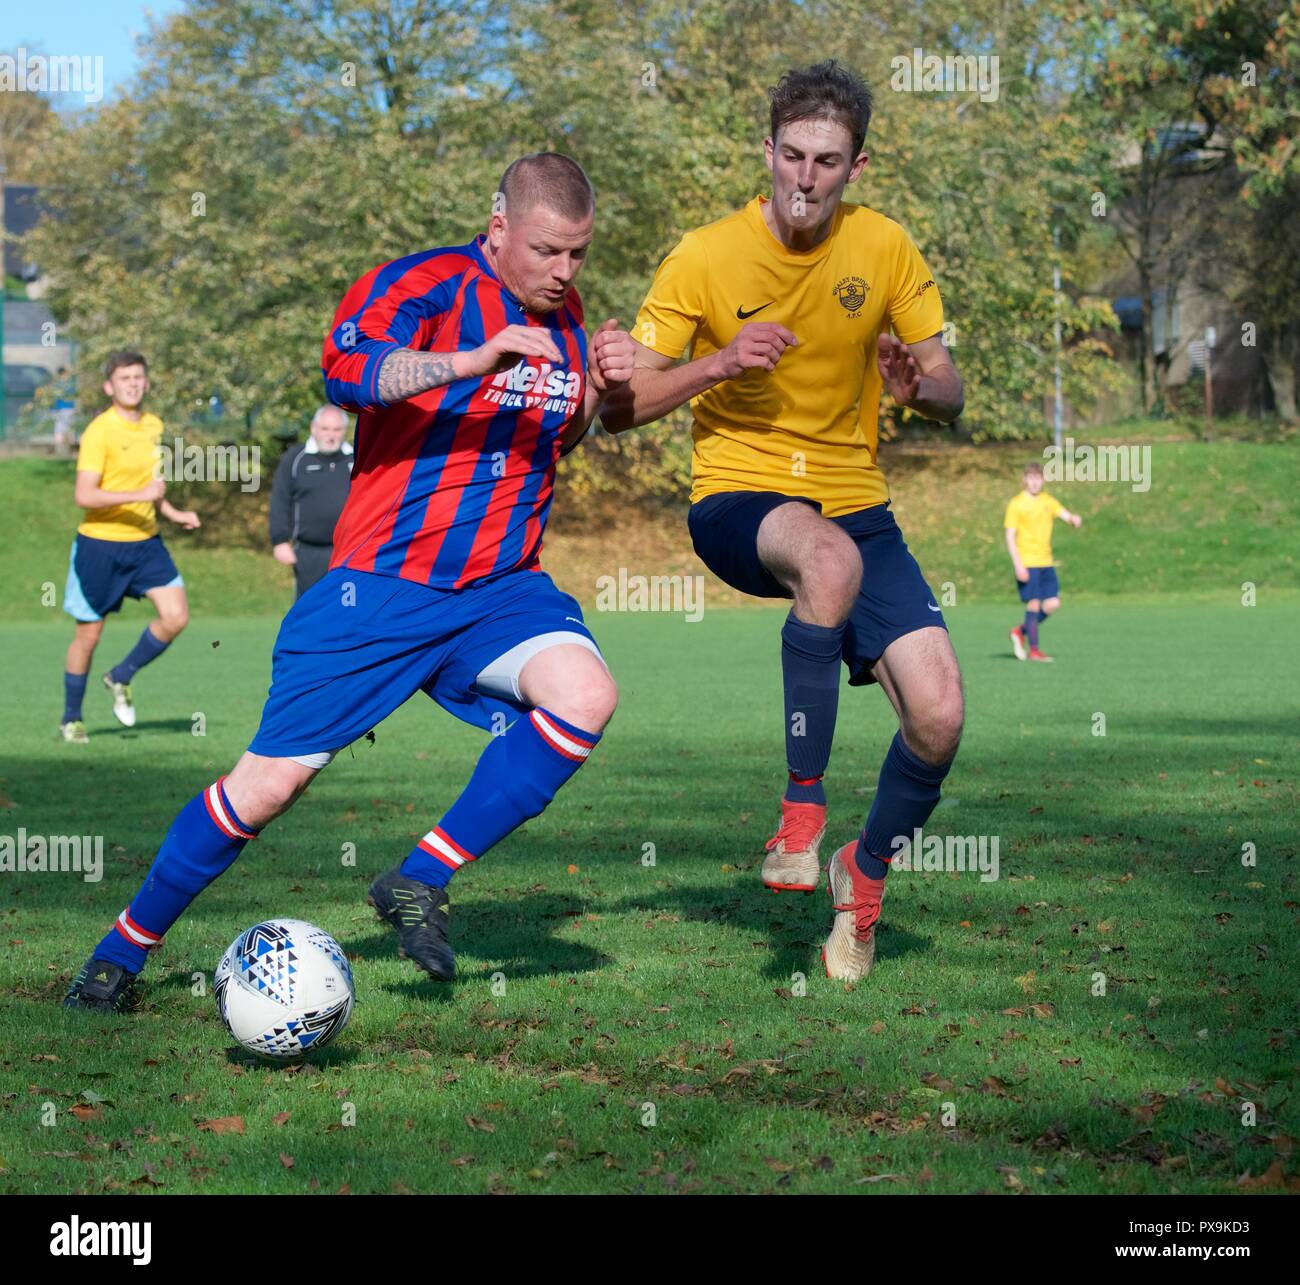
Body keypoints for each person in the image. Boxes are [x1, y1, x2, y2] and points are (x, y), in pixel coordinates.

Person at [64, 153, 635, 1012]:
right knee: (268, 786)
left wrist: (596, 385)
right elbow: (348, 370)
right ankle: (118, 954)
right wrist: (466, 360)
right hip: (381, 590)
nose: (564, 272)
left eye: (579, 255)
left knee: (587, 695)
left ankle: (418, 877)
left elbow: (559, 441)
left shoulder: (569, 316)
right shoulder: (426, 286)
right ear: (500, 226)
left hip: (500, 588)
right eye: (549, 251)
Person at [601, 61, 965, 983]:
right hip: (739, 496)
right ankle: (799, 821)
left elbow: (952, 390)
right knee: (827, 555)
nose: (806, 178)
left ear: (858, 167)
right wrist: (718, 363)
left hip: (856, 501)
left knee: (939, 716)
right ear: (766, 152)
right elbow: (623, 406)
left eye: (828, 162)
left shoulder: (885, 249)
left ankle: (863, 875)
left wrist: (920, 391)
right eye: (792, 155)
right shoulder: (704, 255)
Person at [58, 351, 200, 744]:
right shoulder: (99, 432)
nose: (133, 383)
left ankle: (121, 675)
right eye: (125, 378)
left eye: (138, 377)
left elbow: (153, 487)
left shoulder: (154, 425)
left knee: (176, 617)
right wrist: (140, 492)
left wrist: (171, 511)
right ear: (110, 386)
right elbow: (84, 495)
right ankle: (71, 718)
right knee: (88, 637)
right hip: (100, 547)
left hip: (145, 543)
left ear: (147, 382)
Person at [268, 404, 354, 598]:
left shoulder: (357, 458)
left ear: (344, 431)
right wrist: (279, 540)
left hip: (349, 552)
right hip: (308, 553)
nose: (330, 435)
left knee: (348, 611)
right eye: (325, 428)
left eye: (336, 429)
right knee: (310, 612)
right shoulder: (295, 459)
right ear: (314, 428)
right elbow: (280, 500)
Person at [1005, 461, 1082, 662]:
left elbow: (1064, 514)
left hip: (1046, 562)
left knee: (1053, 603)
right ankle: (1035, 651)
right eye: (1031, 479)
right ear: (1025, 480)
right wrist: (1018, 564)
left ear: (1043, 480)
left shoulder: (1048, 501)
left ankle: (1020, 631)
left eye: (1038, 479)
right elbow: (1010, 536)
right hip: (1028, 562)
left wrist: (1073, 519)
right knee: (1033, 604)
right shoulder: (1017, 504)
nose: (1034, 483)